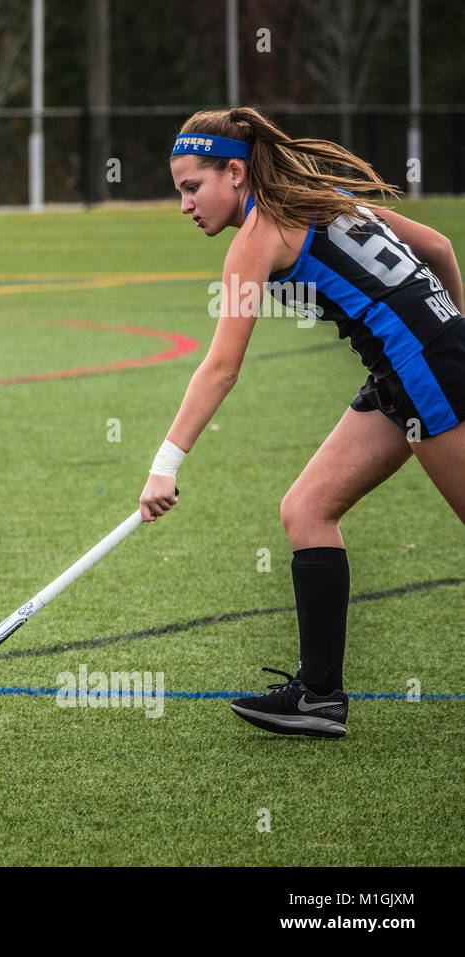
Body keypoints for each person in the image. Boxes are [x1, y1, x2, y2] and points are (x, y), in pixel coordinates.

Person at [141, 107, 465, 739]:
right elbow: (438, 247)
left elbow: (221, 369)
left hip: (423, 371)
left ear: (234, 172)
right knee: (306, 509)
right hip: (413, 366)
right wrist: (454, 325)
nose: (184, 204)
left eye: (191, 186)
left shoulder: (255, 240)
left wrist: (165, 465)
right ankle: (318, 695)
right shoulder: (319, 195)